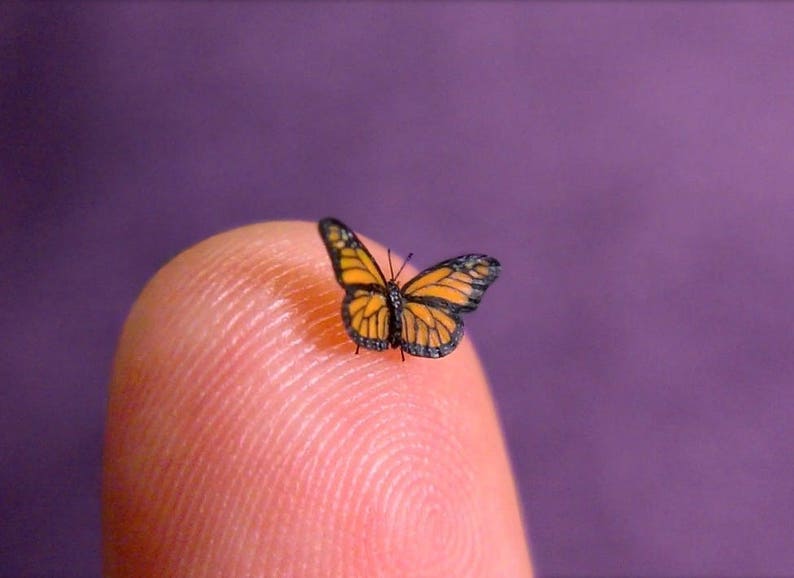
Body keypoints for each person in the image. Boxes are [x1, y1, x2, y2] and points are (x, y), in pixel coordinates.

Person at [103, 222, 533, 576]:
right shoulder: (415, 289)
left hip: (382, 313)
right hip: (417, 316)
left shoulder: (380, 288)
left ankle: (382, 333)